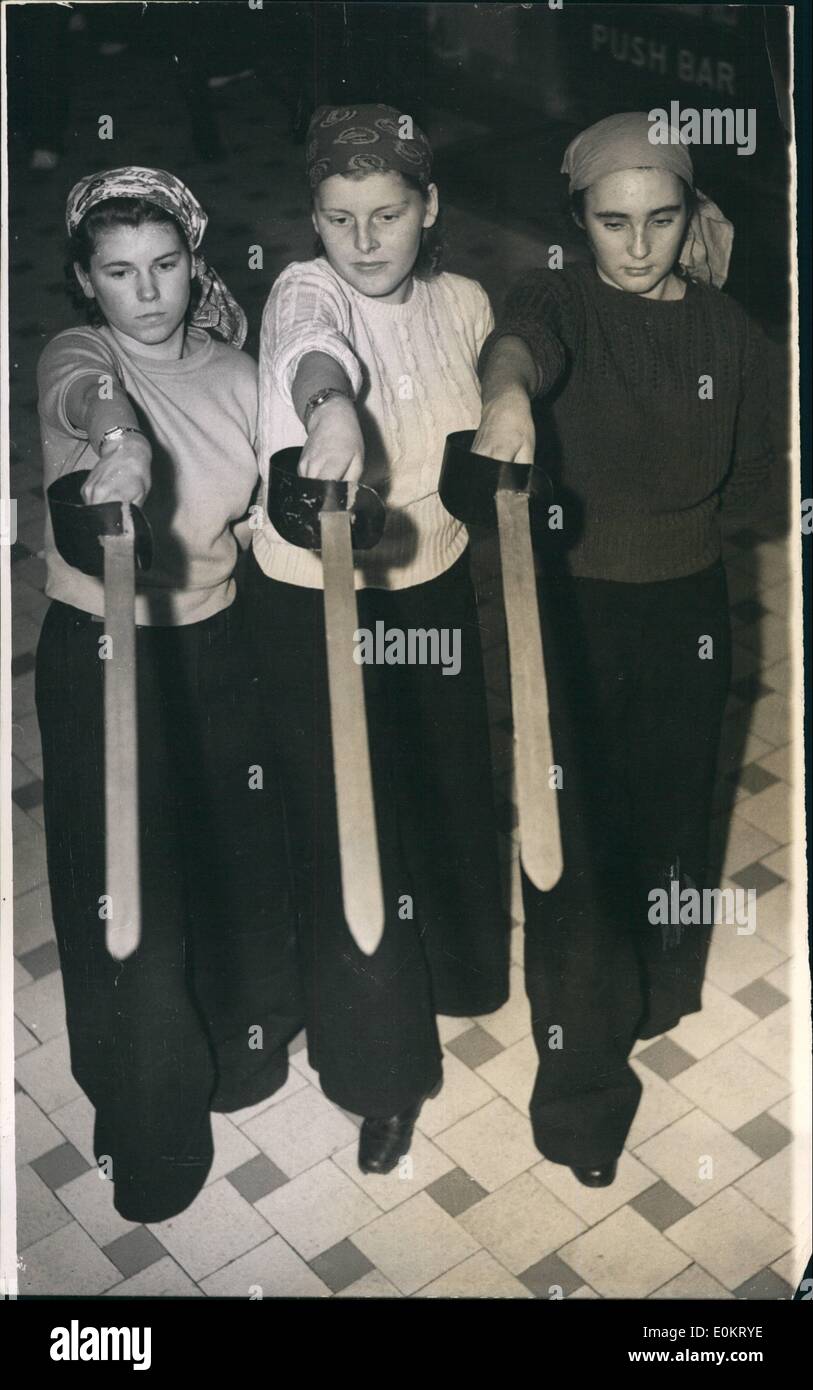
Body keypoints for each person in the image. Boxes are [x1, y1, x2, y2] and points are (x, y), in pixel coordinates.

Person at [472, 112, 773, 1187]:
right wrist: (505, 390)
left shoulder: (733, 335)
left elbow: (748, 492)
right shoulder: (562, 300)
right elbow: (521, 338)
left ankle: (654, 990)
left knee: (669, 811)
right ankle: (581, 1092)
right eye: (611, 222)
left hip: (690, 600)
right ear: (576, 220)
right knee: (570, 850)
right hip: (574, 605)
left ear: (693, 215)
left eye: (660, 218)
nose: (636, 246)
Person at [246, 104, 510, 1174]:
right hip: (317, 594)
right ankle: (378, 1072)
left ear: (430, 207)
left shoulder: (466, 301)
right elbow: (315, 354)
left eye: (388, 214)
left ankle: (459, 979)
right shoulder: (301, 292)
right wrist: (333, 414)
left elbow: (502, 378)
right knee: (353, 827)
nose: (364, 240)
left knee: (446, 791)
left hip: (432, 582)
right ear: (314, 218)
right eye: (340, 217)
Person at [35, 167, 301, 1223]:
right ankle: (149, 1123)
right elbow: (84, 397)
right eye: (117, 272)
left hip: (219, 643)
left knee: (238, 861)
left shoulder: (241, 373)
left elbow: (258, 523)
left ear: (195, 263)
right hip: (102, 650)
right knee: (124, 898)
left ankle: (241, 1055)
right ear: (85, 281)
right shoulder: (79, 356)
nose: (145, 292)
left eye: (164, 266)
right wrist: (122, 440)